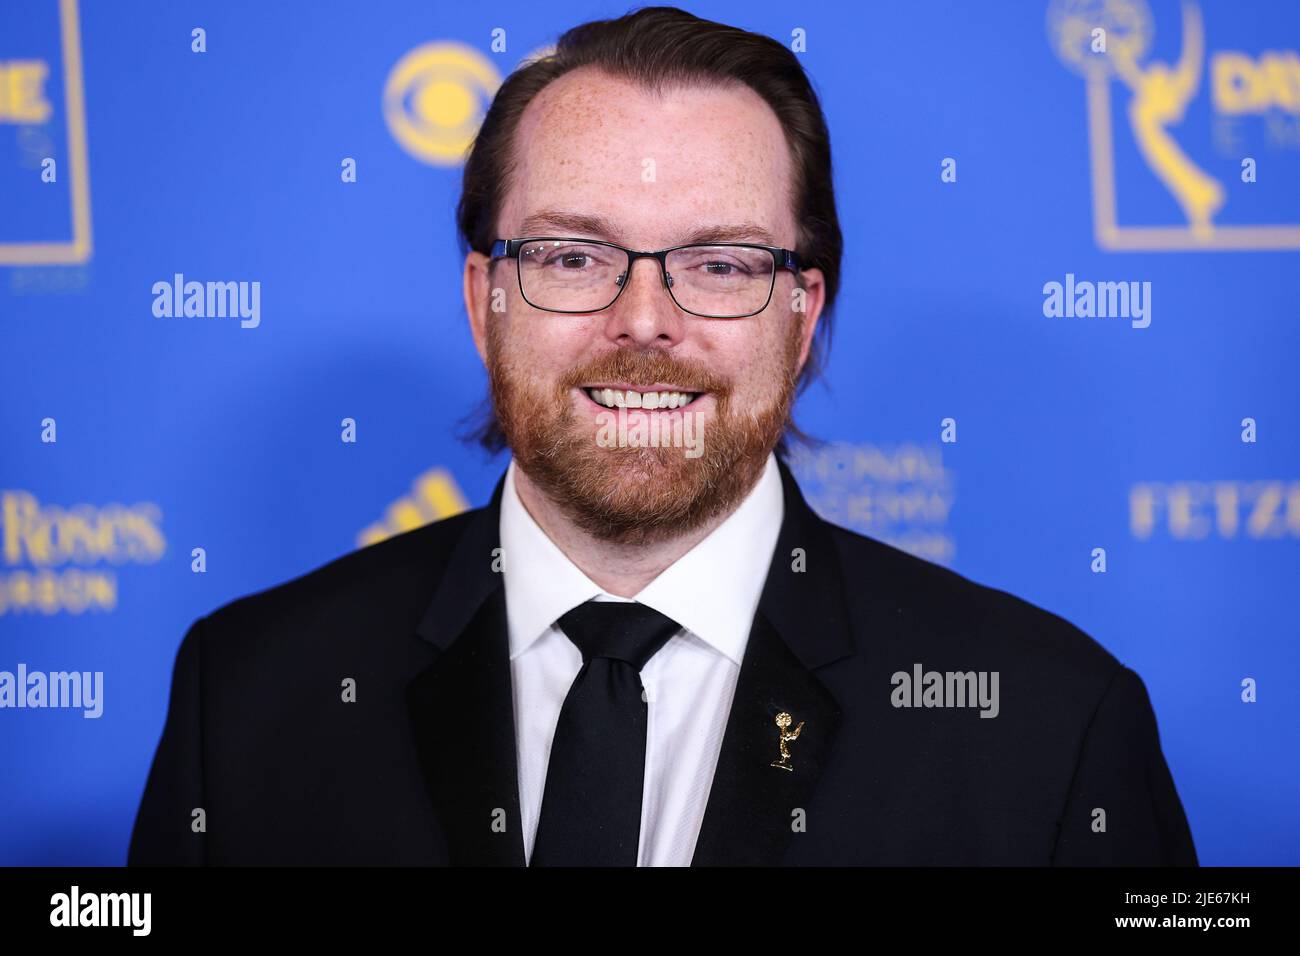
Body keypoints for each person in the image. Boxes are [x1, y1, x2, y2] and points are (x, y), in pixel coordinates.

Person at [128, 6, 1196, 866]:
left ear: (801, 312)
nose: (643, 319)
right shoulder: (253, 692)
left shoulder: (1050, 727)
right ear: (482, 298)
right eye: (573, 256)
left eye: (722, 264)